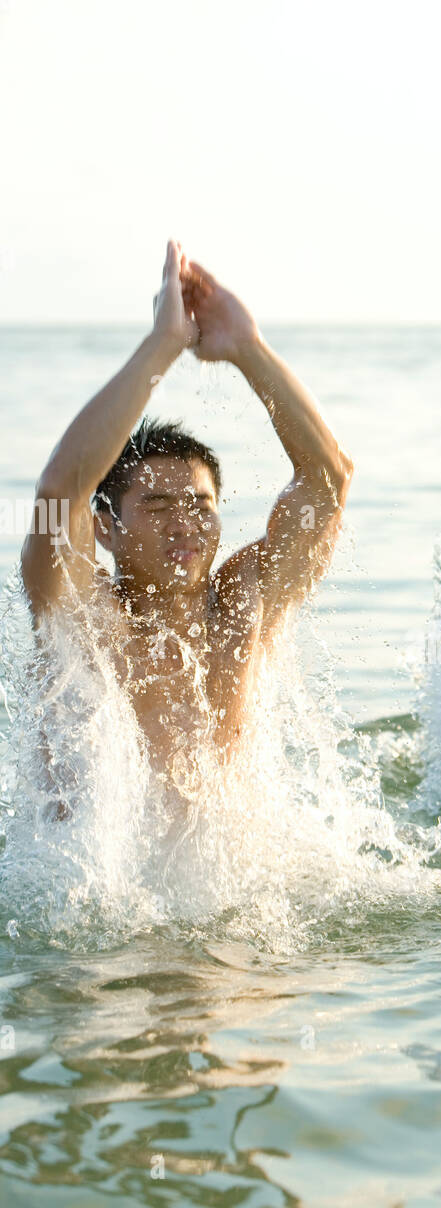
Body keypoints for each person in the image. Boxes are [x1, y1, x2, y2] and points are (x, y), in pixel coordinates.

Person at [21, 241, 353, 800]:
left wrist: (248, 349)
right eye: (156, 507)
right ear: (105, 527)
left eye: (200, 506)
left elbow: (329, 479)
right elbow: (59, 491)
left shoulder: (244, 605)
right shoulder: (86, 614)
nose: (185, 525)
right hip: (100, 884)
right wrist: (162, 346)